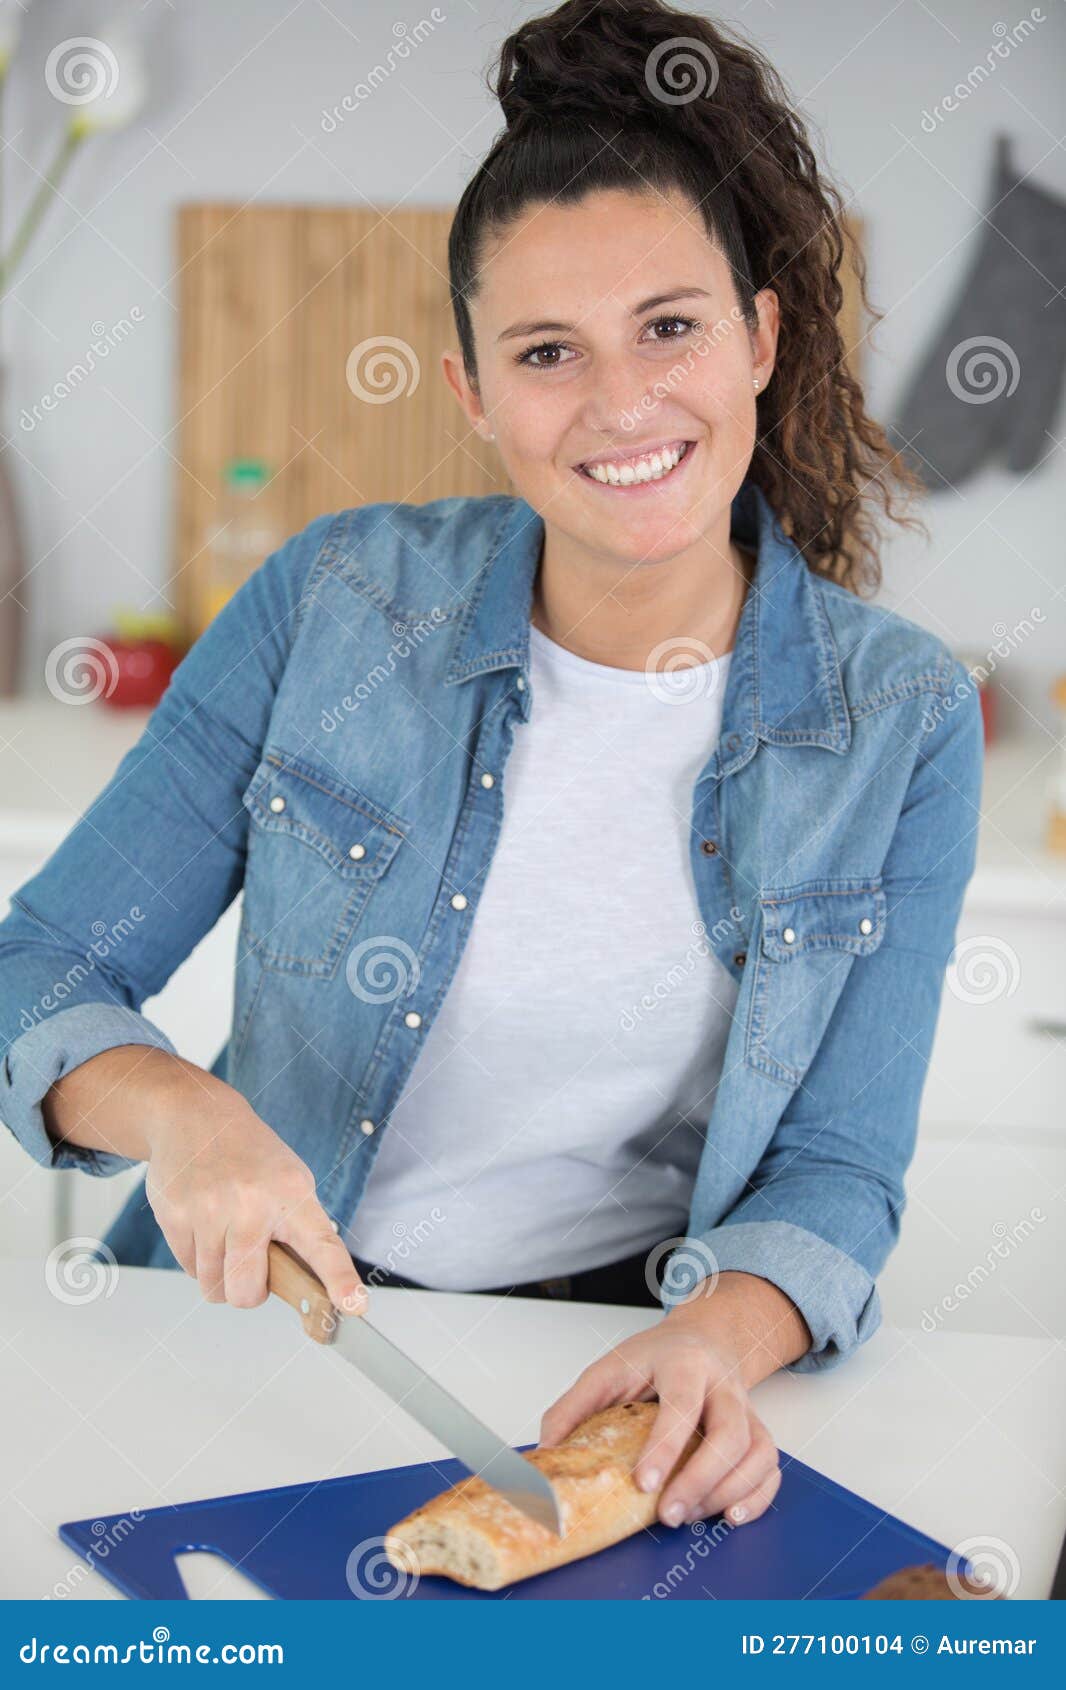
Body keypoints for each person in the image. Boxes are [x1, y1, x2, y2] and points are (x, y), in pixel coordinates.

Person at [0, 0, 982, 1537]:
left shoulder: (900, 715)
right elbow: (41, 964)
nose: (620, 403)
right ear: (471, 392)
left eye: (669, 327)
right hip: (255, 1337)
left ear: (760, 337)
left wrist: (717, 1343)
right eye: (545, 352)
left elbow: (838, 1166)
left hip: (609, 1367)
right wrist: (181, 1111)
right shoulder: (332, 602)